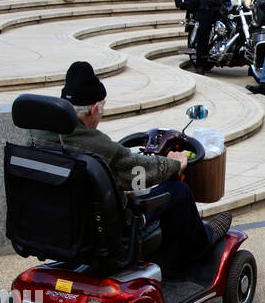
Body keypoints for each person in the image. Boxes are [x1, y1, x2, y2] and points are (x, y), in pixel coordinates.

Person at [28, 61, 230, 255]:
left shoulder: (35, 139)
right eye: (102, 108)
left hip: (57, 225)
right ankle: (202, 242)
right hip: (105, 232)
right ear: (93, 109)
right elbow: (139, 173)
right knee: (178, 191)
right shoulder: (98, 147)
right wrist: (174, 163)